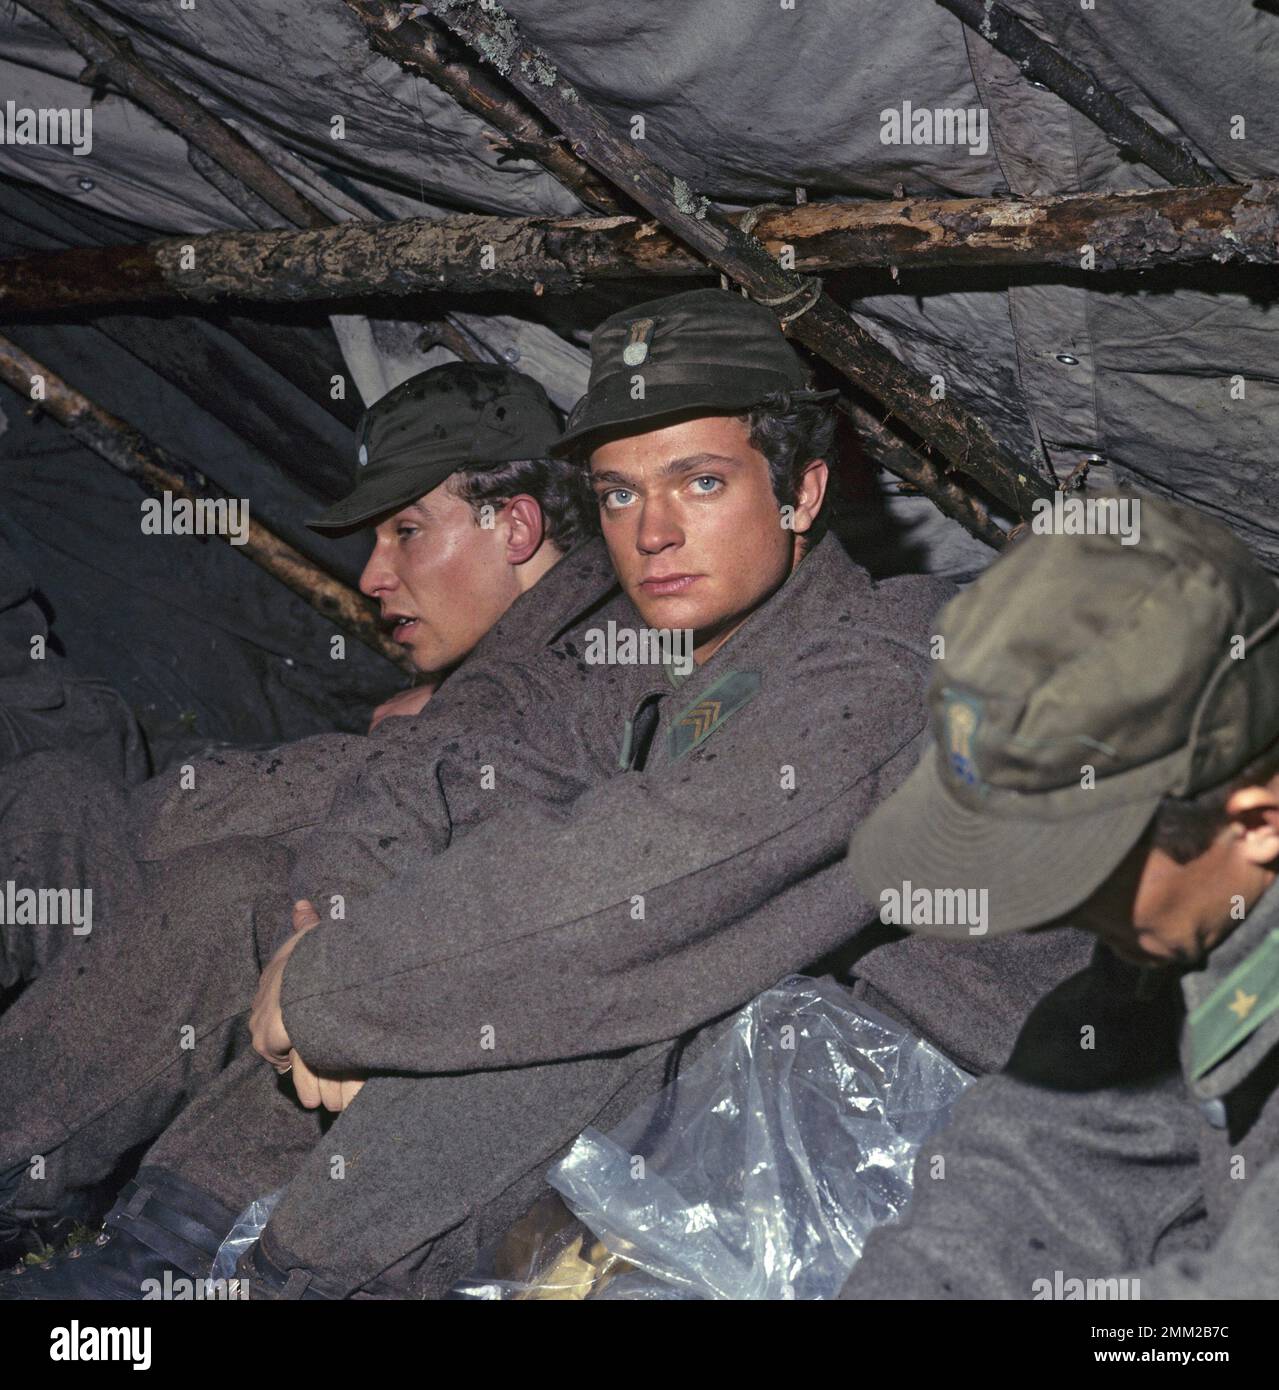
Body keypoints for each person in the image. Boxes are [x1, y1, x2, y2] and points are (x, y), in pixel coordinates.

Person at [0, 287, 1086, 1300]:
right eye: (619, 492)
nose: (651, 531)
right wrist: (328, 913)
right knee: (452, 930)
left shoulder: (897, 656)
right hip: (739, 1084)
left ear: (801, 488)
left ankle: (267, 1274)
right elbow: (452, 764)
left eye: (700, 482)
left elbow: (665, 874)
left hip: (936, 1119)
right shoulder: (648, 645)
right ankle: (158, 1249)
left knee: (561, 979)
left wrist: (339, 983)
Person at [0, 358, 620, 1264]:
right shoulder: (483, 678)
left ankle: (115, 1243)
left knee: (225, 890)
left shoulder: (577, 681)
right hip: (147, 951)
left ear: (516, 525)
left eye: (406, 531)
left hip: (266, 990)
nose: (371, 575)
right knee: (57, 785)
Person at [839, 496, 1279, 1300]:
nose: (1056, 914)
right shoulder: (1204, 914)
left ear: (1257, 822)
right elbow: (1045, 1149)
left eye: (1085, 872)